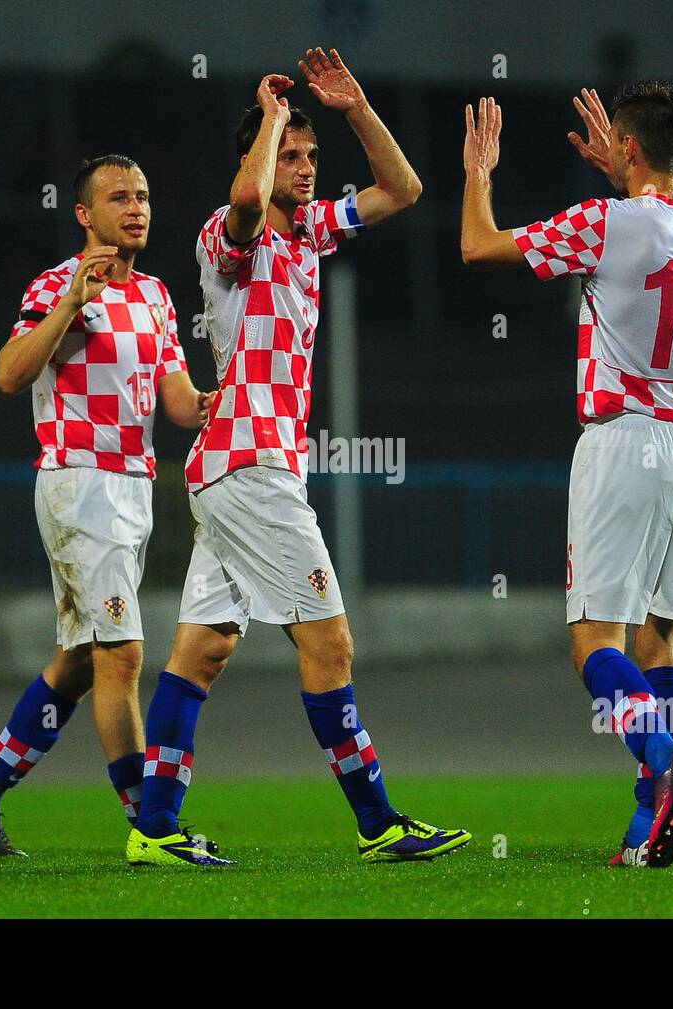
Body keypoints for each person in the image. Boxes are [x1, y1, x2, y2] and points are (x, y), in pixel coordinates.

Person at [125, 48, 470, 868]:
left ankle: (155, 825)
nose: (307, 169)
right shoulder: (226, 237)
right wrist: (272, 116)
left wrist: (353, 109)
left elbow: (405, 190)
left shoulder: (311, 232)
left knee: (201, 651)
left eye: (314, 158)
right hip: (251, 471)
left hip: (239, 470)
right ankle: (378, 818)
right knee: (331, 643)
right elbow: (248, 197)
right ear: (260, 156)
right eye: (292, 156)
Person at [460, 83, 673, 868]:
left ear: (629, 149)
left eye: (616, 142)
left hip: (626, 442)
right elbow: (655, 221)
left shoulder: (603, 223)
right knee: (665, 635)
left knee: (595, 640)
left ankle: (662, 761)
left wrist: (479, 170)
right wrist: (625, 170)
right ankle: (645, 835)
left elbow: (478, 245)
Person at [0, 155, 215, 856]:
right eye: (118, 196)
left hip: (132, 487)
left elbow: (177, 399)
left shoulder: (155, 294)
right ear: (84, 215)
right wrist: (70, 301)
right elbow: (8, 372)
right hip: (79, 484)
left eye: (145, 196)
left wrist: (213, 402)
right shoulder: (57, 286)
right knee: (123, 653)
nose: (136, 208)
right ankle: (149, 824)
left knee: (79, 660)